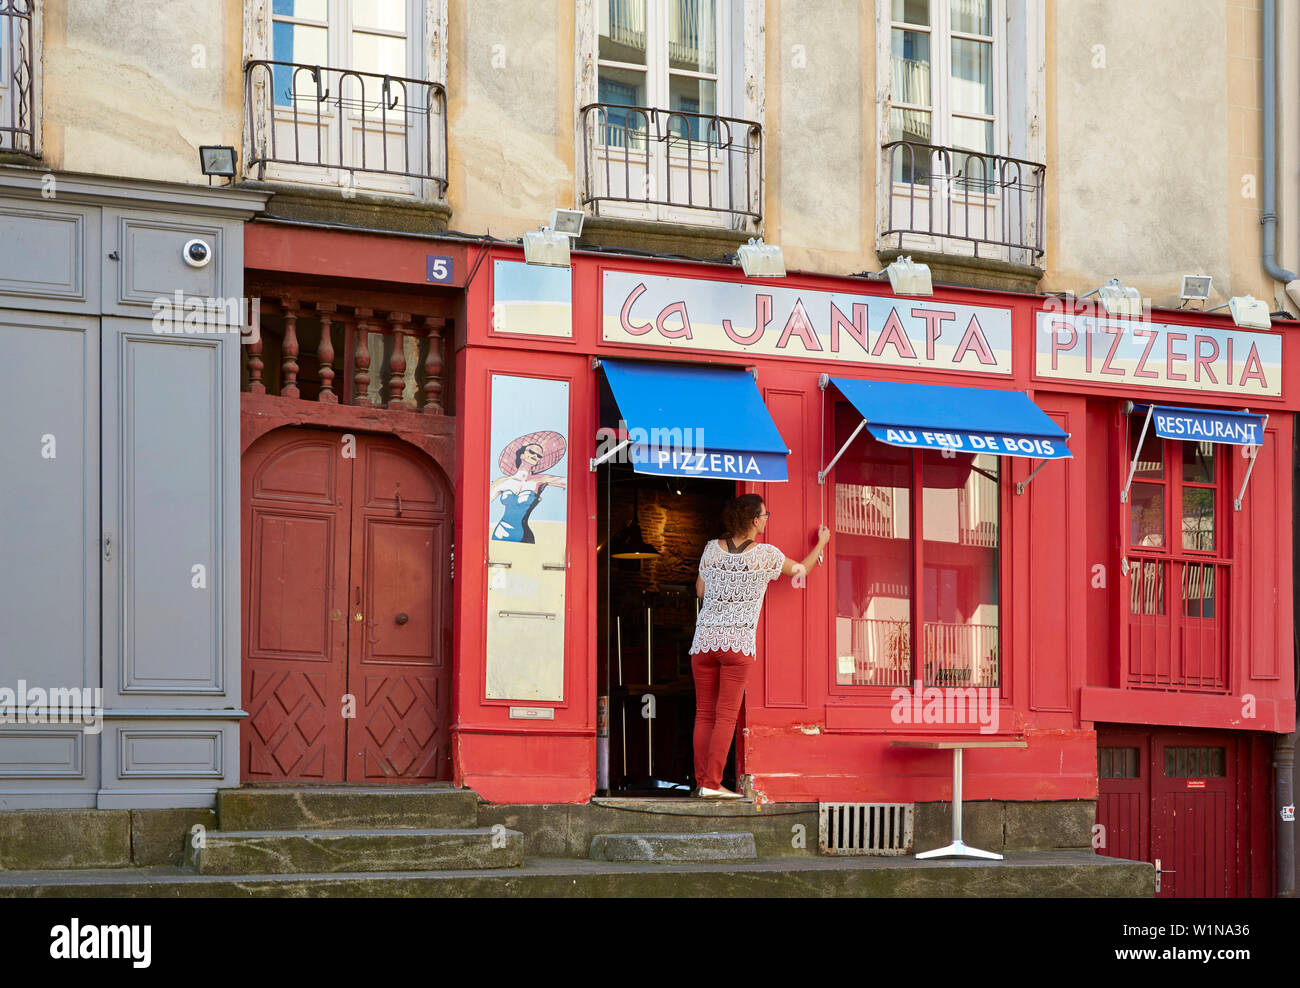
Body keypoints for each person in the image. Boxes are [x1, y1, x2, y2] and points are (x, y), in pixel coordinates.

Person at [689, 493, 830, 798]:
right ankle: (712, 784)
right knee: (726, 716)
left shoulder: (711, 549)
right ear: (754, 521)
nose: (767, 520)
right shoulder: (765, 555)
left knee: (704, 713)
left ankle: (702, 782)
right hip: (737, 644)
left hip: (703, 642)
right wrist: (821, 544)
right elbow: (800, 571)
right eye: (765, 516)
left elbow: (700, 591)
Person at [490, 432, 567, 543]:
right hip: (500, 534)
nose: (535, 456)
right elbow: (482, 506)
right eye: (532, 452)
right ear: (521, 455)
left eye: (538, 456)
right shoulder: (503, 482)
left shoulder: (541, 480)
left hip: (525, 537)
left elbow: (571, 482)